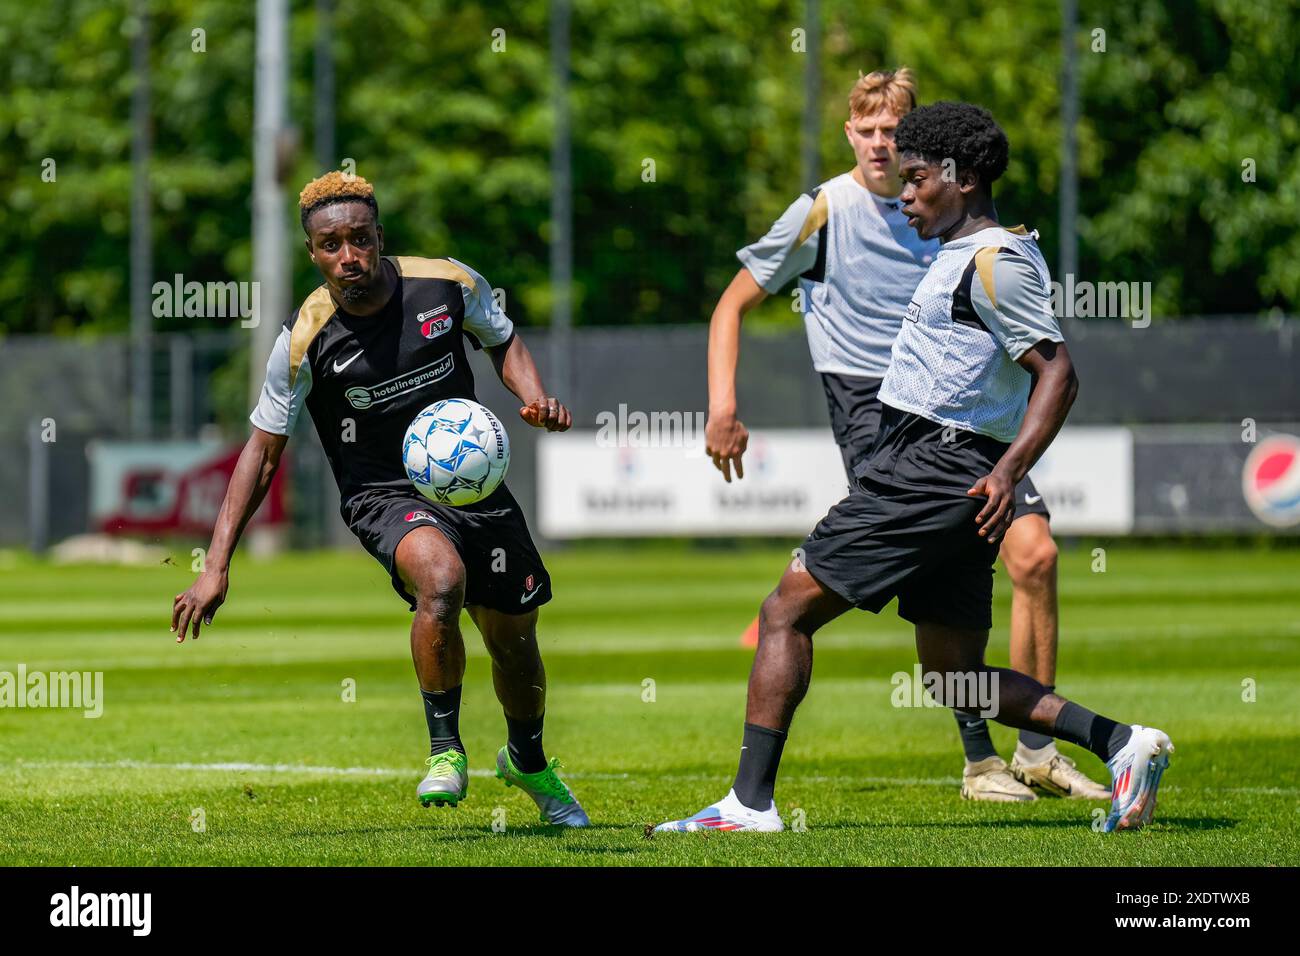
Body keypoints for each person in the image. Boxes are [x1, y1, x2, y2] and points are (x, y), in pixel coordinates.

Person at [659, 102, 1172, 834]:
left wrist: (1009, 469)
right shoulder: (966, 254)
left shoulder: (995, 260)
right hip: (949, 476)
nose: (904, 194)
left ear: (960, 179)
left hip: (933, 470)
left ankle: (748, 805)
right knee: (949, 674)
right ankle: (1122, 743)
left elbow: (1058, 374)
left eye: (919, 178)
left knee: (784, 611)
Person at [170, 171, 589, 827]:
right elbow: (262, 450)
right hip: (383, 494)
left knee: (514, 641)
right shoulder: (305, 336)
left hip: (474, 485)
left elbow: (502, 339)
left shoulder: (446, 283)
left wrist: (530, 396)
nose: (349, 257)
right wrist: (217, 563)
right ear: (313, 252)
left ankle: (527, 760)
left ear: (379, 236)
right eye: (331, 245)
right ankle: (446, 749)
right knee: (441, 580)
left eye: (360, 239)